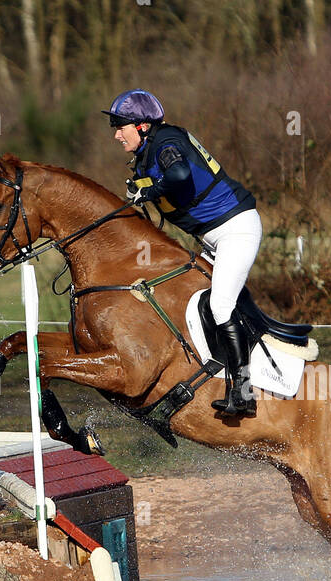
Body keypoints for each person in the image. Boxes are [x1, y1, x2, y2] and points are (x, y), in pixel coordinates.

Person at [104, 88, 261, 417]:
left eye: (121, 126)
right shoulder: (150, 151)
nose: (117, 134)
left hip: (235, 229)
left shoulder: (166, 143)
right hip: (214, 237)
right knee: (194, 301)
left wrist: (147, 188)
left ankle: (244, 393)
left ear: (143, 126)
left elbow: (178, 174)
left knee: (220, 305)